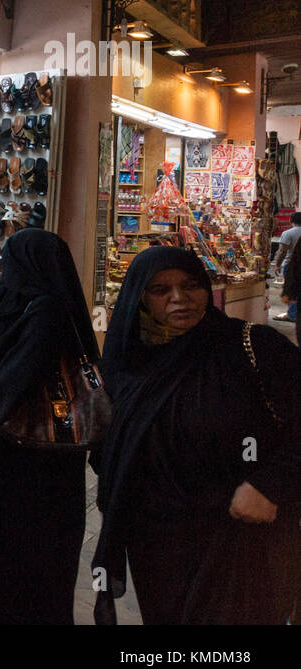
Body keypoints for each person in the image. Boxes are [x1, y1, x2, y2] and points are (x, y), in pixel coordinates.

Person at [92, 246, 301, 624]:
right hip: (159, 545)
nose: (179, 298)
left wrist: (269, 483)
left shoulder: (252, 349)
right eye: (160, 290)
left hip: (241, 539)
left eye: (190, 285)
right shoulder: (127, 362)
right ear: (138, 298)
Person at [0, 228, 97, 624]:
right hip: (23, 455)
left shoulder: (43, 311)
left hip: (26, 458)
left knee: (17, 555)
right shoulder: (36, 306)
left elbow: (18, 374)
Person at [273, 211, 301, 320]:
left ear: (290, 220)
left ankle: (292, 315)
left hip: (291, 265)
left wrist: (277, 265)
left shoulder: (288, 233)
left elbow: (282, 252)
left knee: (291, 288)